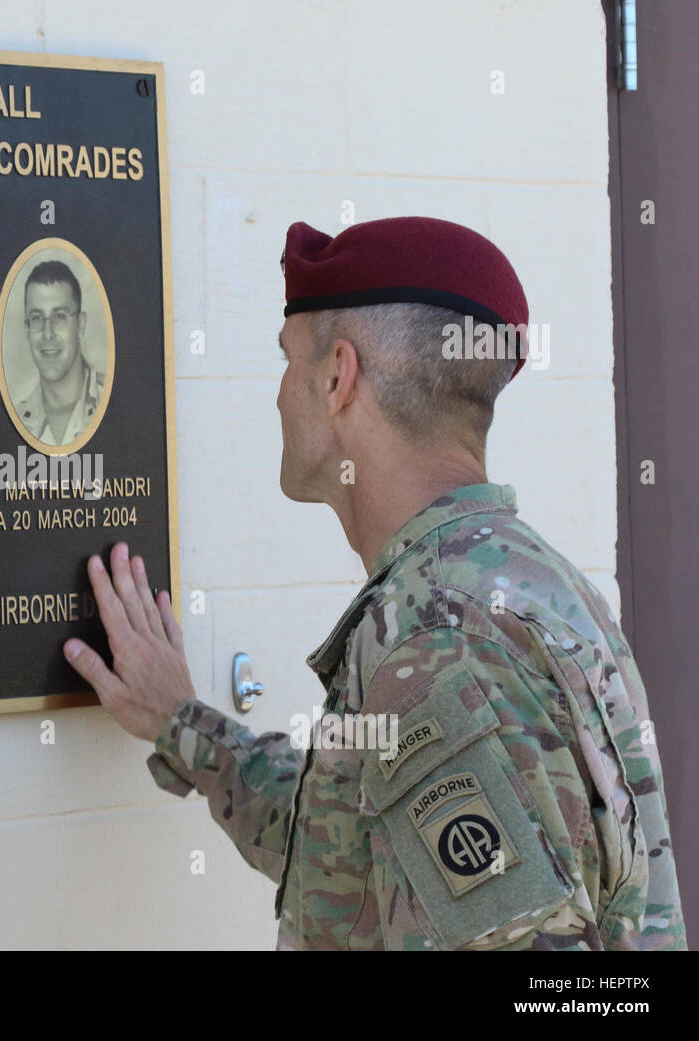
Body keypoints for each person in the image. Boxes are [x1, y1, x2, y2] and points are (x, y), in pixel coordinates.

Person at [61, 216, 688, 951]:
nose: (277, 397)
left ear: (336, 377)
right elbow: (350, 849)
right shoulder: (529, 582)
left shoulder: (439, 637)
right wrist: (183, 723)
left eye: (288, 363)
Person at [13, 260, 105, 447]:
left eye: (60, 316)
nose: (48, 333)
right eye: (37, 318)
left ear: (81, 325)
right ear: (27, 329)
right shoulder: (15, 420)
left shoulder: (114, 402)